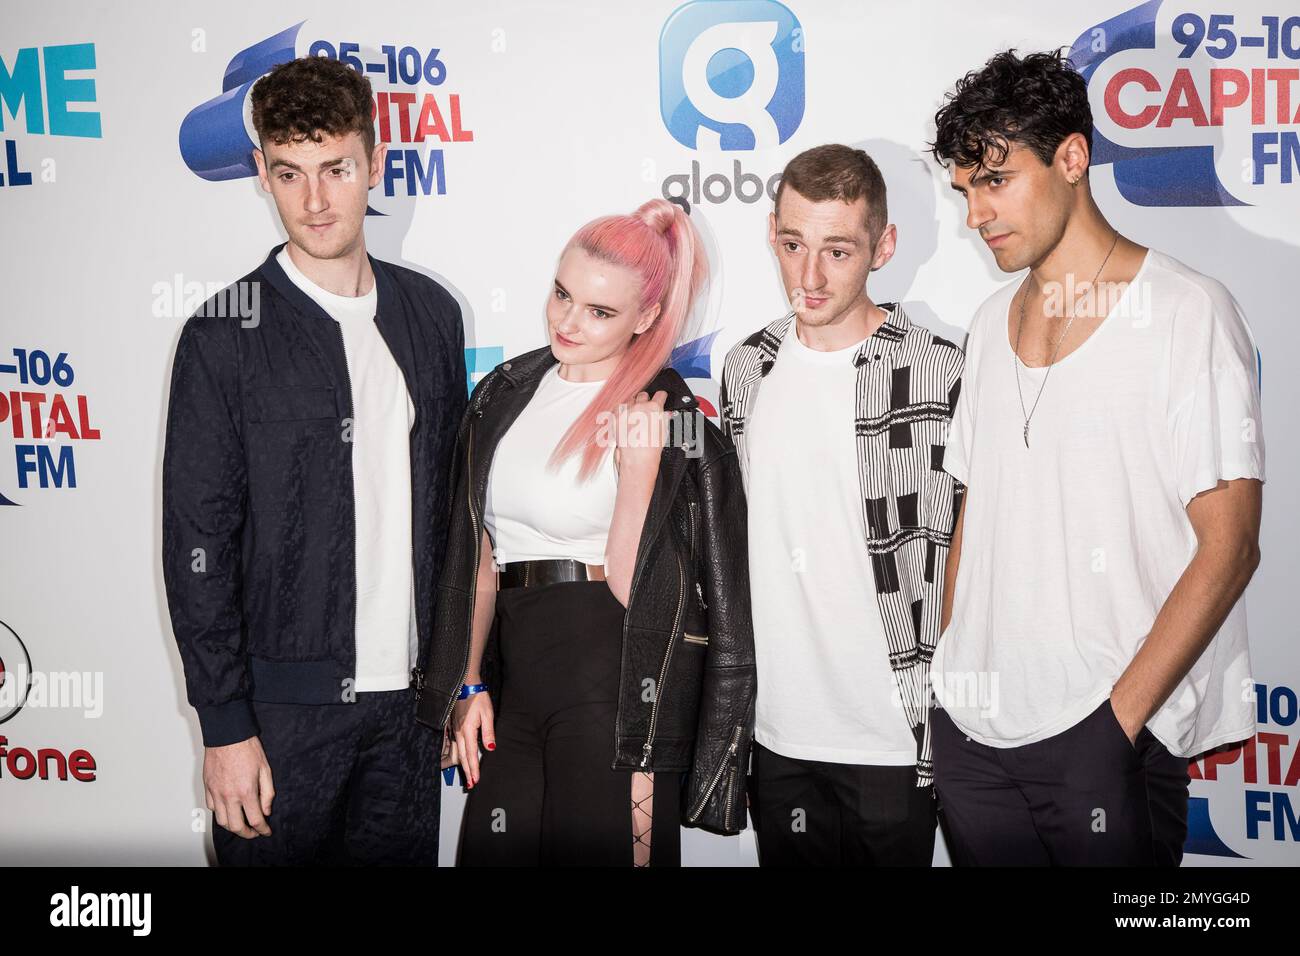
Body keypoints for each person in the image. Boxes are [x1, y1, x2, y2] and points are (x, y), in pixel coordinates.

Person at [928, 49, 1265, 866]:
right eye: (965, 190)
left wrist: (1117, 720)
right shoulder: (987, 322)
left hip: (1104, 736)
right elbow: (976, 505)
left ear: (1072, 159)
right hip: (973, 734)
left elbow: (1230, 545)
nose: (976, 213)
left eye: (995, 181)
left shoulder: (1186, 311)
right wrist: (950, 667)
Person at [161, 56, 465, 865]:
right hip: (281, 720)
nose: (316, 199)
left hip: (407, 715)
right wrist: (225, 728)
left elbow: (455, 520)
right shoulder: (222, 333)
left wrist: (455, 684)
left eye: (336, 168)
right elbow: (198, 547)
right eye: (290, 173)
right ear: (261, 173)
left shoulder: (432, 316)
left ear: (376, 160)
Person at [414, 198, 756, 866]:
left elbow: (643, 593)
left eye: (599, 312)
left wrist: (638, 475)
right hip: (513, 685)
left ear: (647, 317)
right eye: (562, 294)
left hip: (616, 689)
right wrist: (469, 680)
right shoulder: (504, 393)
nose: (568, 321)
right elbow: (480, 555)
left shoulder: (668, 424)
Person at [719, 144, 963, 866]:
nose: (810, 275)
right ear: (771, 232)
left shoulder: (940, 370)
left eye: (837, 250)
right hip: (777, 735)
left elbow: (971, 553)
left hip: (893, 737)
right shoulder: (746, 368)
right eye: (793, 244)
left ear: (883, 246)